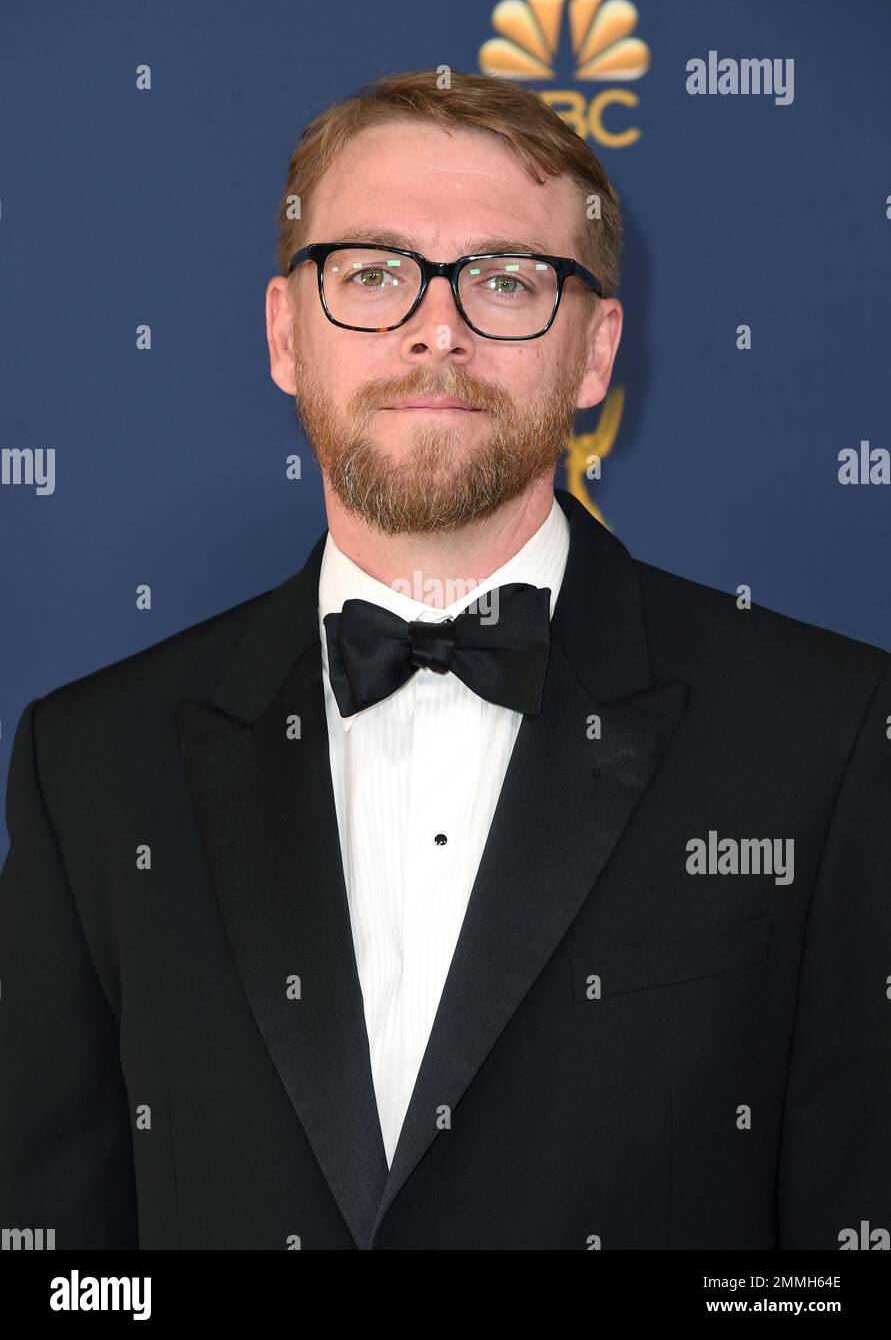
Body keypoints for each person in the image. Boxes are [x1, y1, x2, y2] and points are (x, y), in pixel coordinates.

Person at [1, 69, 889, 1252]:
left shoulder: (825, 734)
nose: (437, 327)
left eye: (506, 280)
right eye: (371, 273)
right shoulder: (88, 763)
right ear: (284, 333)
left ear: (593, 351)